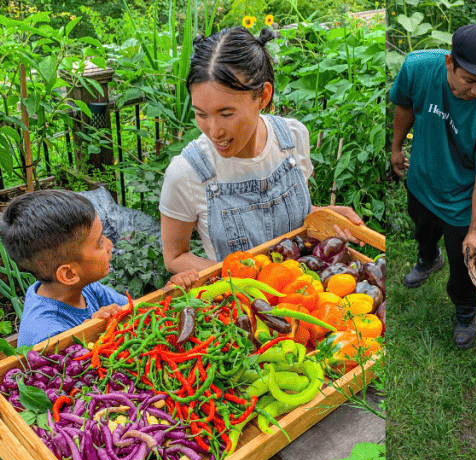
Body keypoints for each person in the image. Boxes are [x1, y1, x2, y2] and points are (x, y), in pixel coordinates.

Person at [160, 26, 364, 274]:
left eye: (226, 114)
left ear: (263, 96)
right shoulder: (186, 172)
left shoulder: (293, 139)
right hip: (243, 304)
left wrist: (323, 216)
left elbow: (286, 216)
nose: (213, 131)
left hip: (306, 292)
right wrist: (240, 279)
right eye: (201, 114)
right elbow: (175, 257)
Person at [389, 23, 476, 350]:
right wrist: (397, 148)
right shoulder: (418, 67)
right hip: (422, 184)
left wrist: (475, 230)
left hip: (462, 204)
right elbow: (404, 106)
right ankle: (428, 259)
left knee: (465, 266)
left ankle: (465, 310)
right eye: (470, 81)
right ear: (449, 64)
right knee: (422, 231)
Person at [0, 190, 199, 347]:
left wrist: (170, 293)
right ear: (69, 274)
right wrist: (92, 333)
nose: (111, 243)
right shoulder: (47, 337)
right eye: (99, 243)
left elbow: (139, 312)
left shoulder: (83, 288)